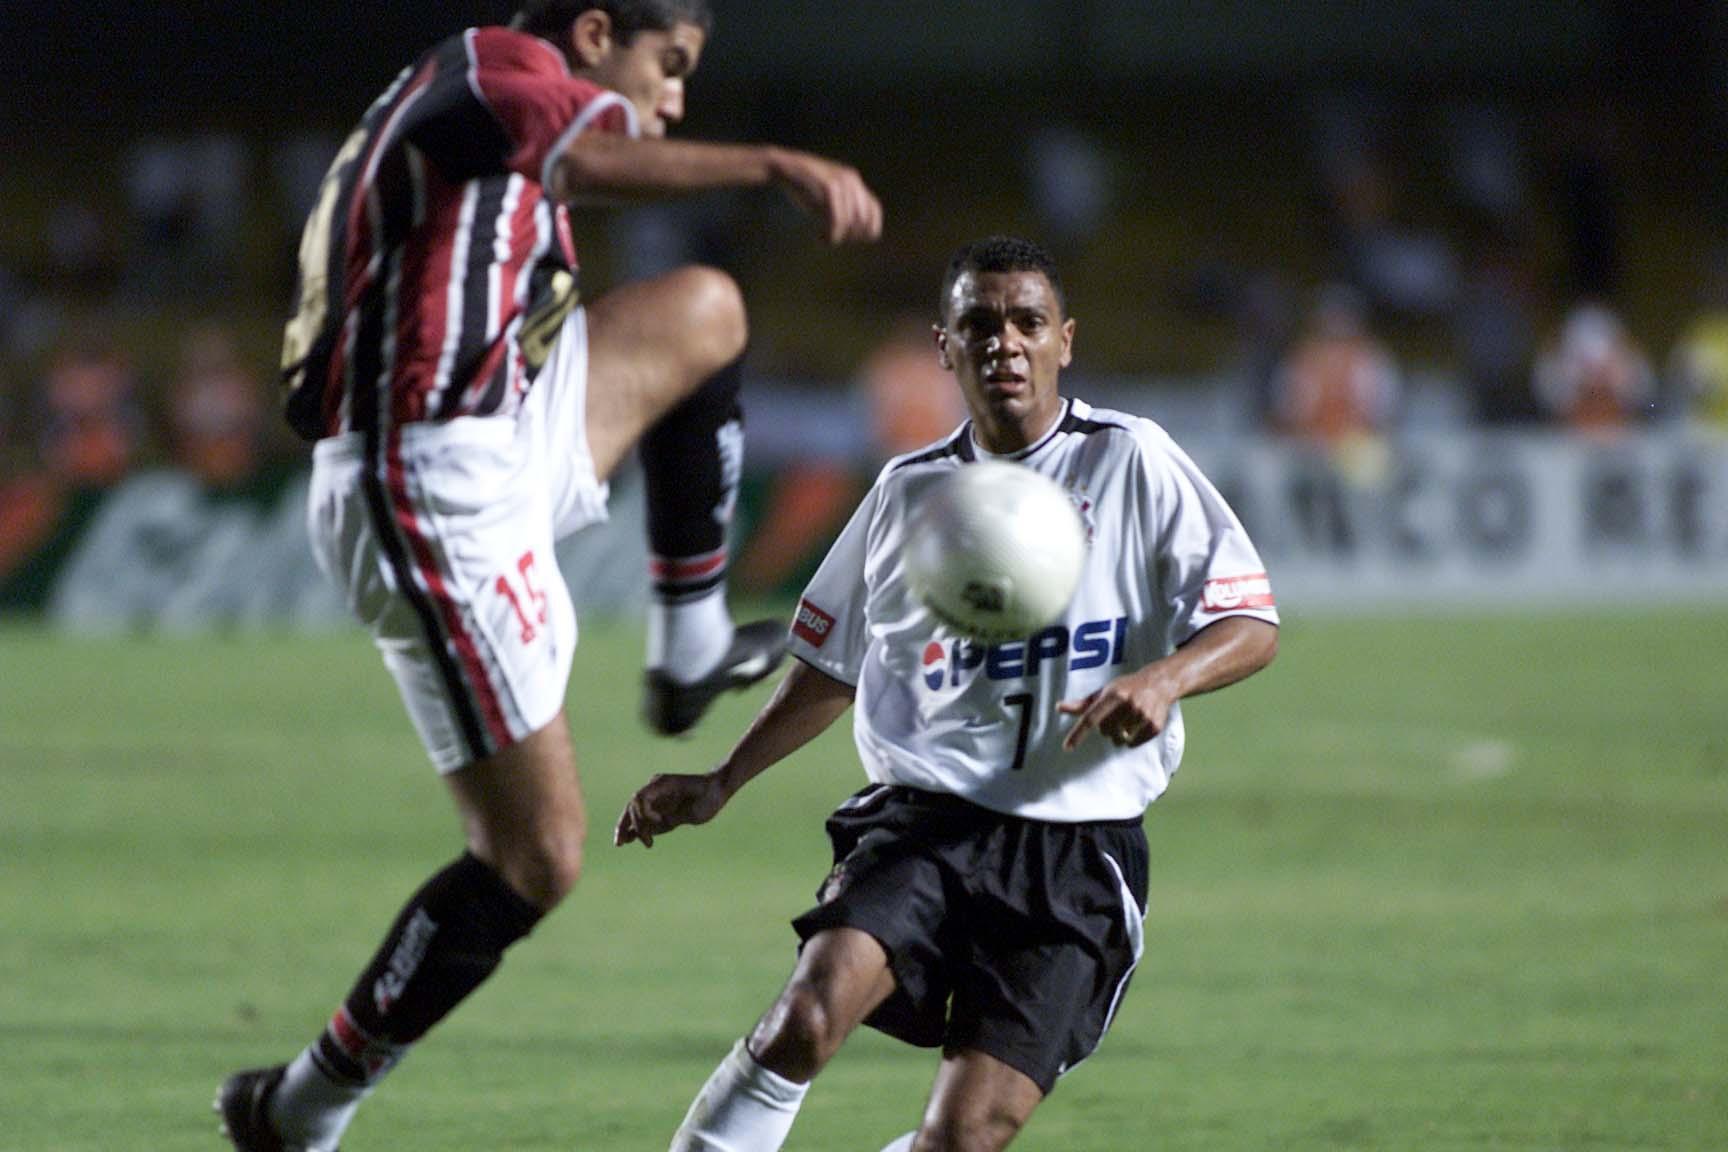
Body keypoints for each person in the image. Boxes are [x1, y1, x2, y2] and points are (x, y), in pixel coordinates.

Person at [216, 2, 882, 1149]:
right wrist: (775, 161)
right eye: (665, 67)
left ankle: (688, 642)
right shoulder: (499, 76)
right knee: (538, 856)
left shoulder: (481, 98)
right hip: (425, 475)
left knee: (706, 310)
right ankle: (302, 1112)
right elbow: (582, 156)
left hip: (497, 428)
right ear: (590, 34)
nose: (673, 99)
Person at [616, 236, 1279, 1152]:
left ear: (1064, 341)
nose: (1005, 342)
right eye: (980, 324)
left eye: (1027, 323)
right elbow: (831, 666)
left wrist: (1167, 678)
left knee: (964, 1137)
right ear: (946, 347)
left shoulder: (1133, 461)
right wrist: (723, 780)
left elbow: (1252, 622)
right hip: (925, 823)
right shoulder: (906, 492)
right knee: (804, 1021)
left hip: (1076, 854)